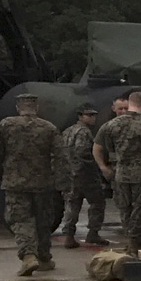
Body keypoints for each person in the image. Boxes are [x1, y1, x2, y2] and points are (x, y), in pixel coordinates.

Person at [0, 92, 61, 276]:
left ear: (18, 108)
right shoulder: (49, 128)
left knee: (21, 220)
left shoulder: (6, 126)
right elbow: (61, 157)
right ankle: (44, 257)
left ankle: (28, 256)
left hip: (15, 183)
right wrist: (61, 182)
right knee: (43, 220)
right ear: (37, 108)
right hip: (43, 183)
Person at [93, 90, 141, 256]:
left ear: (130, 104)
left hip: (121, 173)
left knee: (125, 209)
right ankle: (134, 242)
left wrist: (104, 167)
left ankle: (133, 242)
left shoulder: (111, 125)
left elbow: (99, 147)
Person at [57, 105, 106, 249]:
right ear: (80, 116)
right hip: (85, 174)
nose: (93, 118)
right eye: (89, 115)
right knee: (97, 203)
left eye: (93, 115)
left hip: (69, 174)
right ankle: (93, 233)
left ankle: (68, 236)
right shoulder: (84, 132)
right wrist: (96, 166)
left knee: (72, 205)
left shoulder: (67, 131)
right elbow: (82, 153)